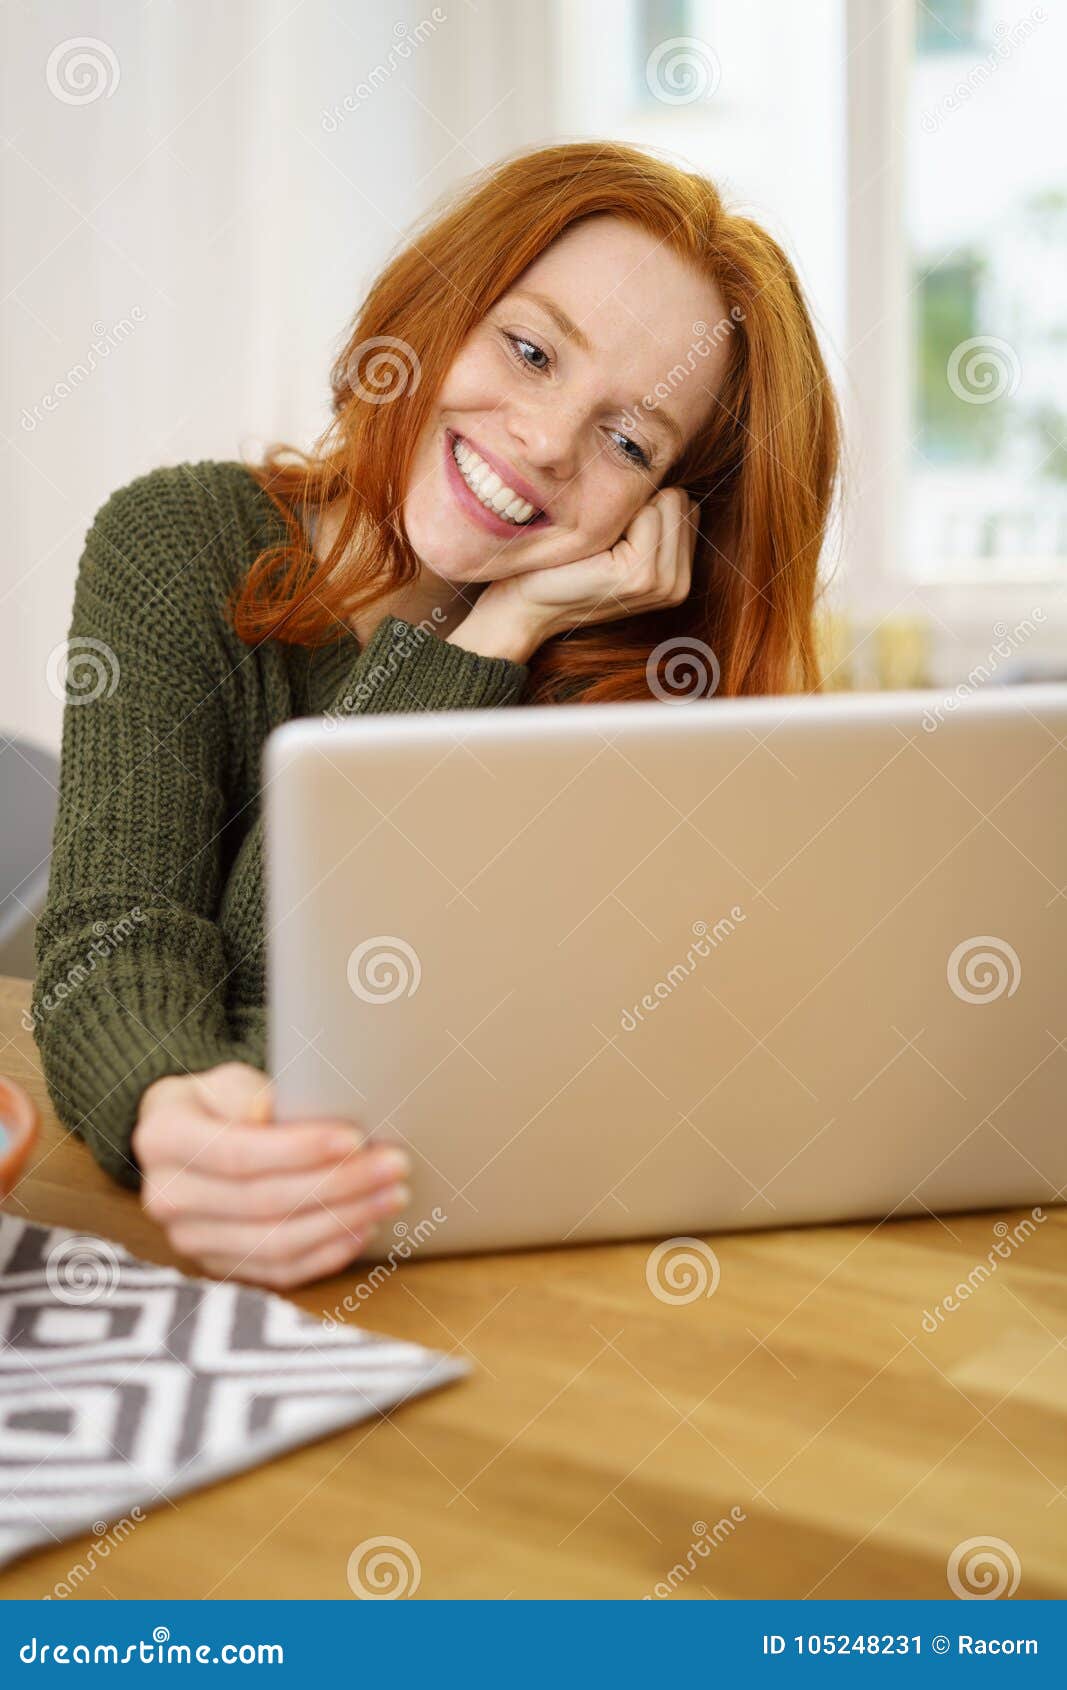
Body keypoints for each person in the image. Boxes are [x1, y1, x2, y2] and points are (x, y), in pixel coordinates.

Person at [33, 140, 840, 1289]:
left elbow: (379, 1030)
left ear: (662, 512)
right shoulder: (176, 543)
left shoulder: (610, 689)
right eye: (528, 349)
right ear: (438, 307)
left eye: (626, 441)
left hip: (502, 1290)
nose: (547, 441)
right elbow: (120, 937)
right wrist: (168, 1102)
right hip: (222, 1264)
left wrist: (500, 634)